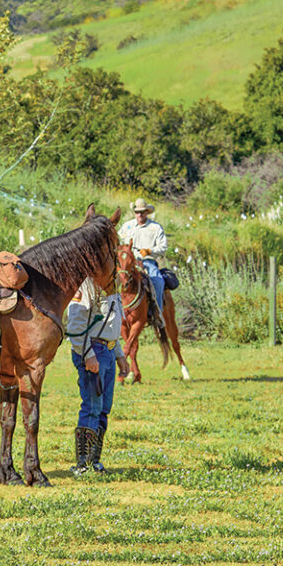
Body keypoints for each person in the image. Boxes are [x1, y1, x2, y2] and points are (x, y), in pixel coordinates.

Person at [66, 276, 121, 474]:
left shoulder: (112, 285)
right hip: (93, 352)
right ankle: (83, 465)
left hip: (108, 351)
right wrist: (88, 356)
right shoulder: (87, 287)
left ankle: (94, 462)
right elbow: (75, 327)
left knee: (104, 408)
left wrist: (120, 355)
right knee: (92, 407)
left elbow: (110, 325)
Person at [118, 197, 168, 329]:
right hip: (127, 262)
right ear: (134, 212)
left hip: (147, 262)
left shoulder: (155, 228)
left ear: (147, 212)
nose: (140, 214)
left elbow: (163, 247)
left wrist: (150, 251)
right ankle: (108, 312)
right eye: (137, 212)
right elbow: (118, 243)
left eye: (142, 212)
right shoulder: (126, 227)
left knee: (158, 281)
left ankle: (157, 314)